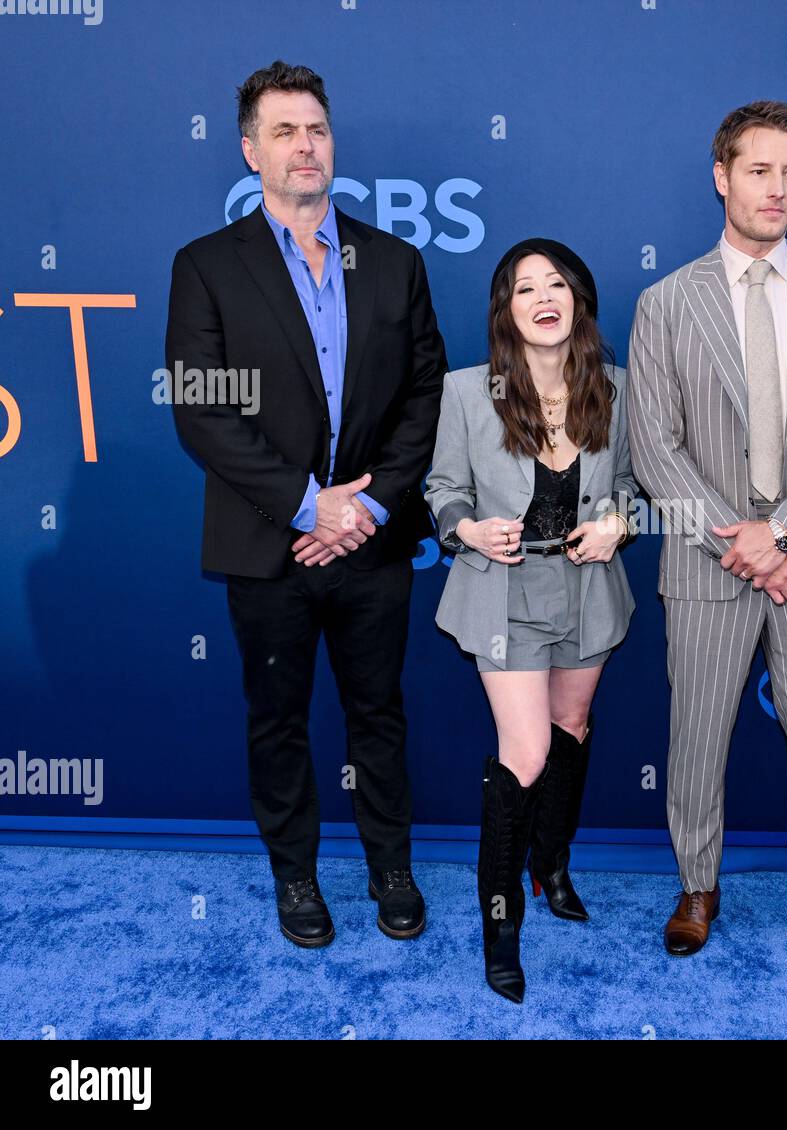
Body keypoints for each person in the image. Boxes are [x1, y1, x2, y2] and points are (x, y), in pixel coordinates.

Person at [166, 61, 446, 948]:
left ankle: (389, 867)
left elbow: (426, 394)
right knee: (278, 719)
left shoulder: (394, 261)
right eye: (283, 131)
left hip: (372, 542)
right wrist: (305, 508)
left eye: (316, 128)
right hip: (268, 548)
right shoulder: (207, 266)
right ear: (250, 151)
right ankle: (294, 876)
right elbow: (200, 408)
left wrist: (360, 512)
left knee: (380, 714)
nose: (304, 145)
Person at [627, 101, 787, 976]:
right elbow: (653, 447)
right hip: (707, 565)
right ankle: (698, 887)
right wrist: (738, 545)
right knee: (696, 741)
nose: (777, 189)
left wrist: (785, 533)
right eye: (760, 170)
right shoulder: (665, 303)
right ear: (722, 176)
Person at [425, 238, 637, 1003]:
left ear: (577, 299)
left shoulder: (616, 388)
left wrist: (620, 521)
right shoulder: (465, 392)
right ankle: (501, 919)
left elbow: (642, 489)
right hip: (503, 593)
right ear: (506, 310)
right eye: (524, 289)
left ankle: (552, 864)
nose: (543, 298)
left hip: (587, 592)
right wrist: (468, 530)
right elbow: (442, 487)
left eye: (556, 284)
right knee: (527, 747)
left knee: (572, 730)